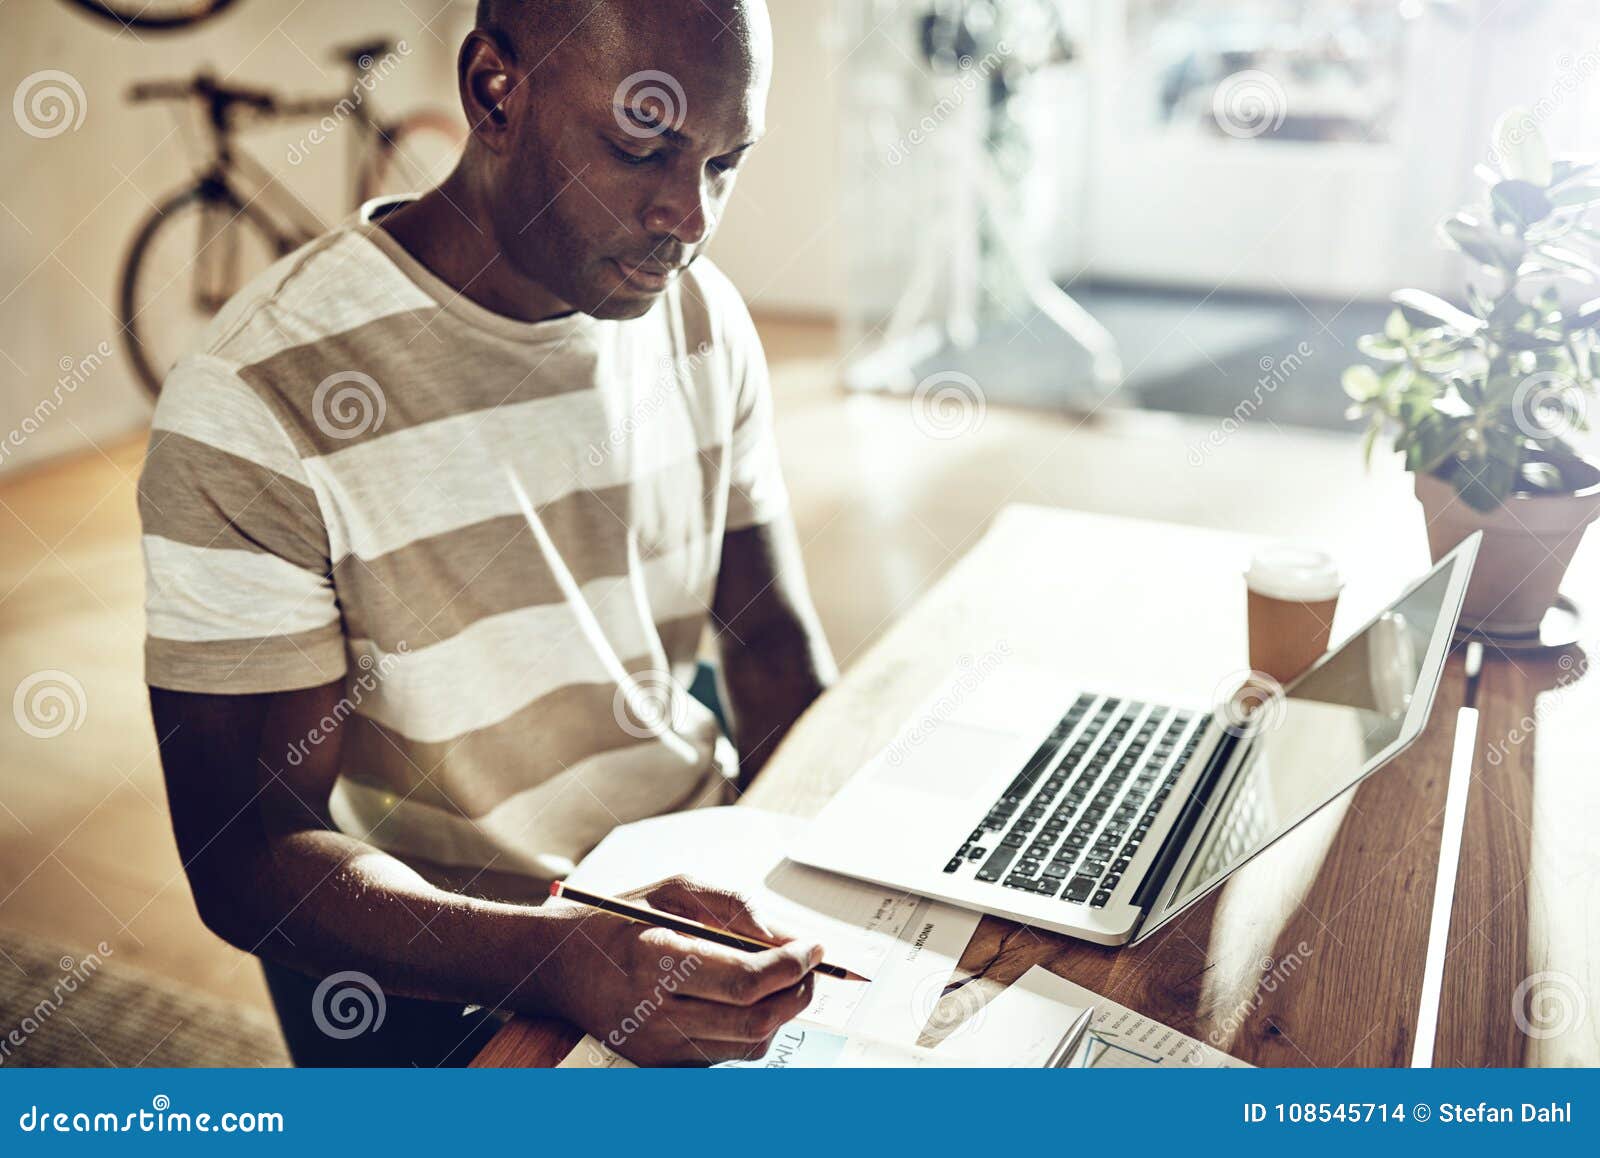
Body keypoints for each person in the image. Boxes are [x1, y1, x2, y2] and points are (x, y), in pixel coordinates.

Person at [139, 0, 837, 1067]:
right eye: (642, 148)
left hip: (702, 909)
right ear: (492, 93)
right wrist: (566, 955)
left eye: (724, 163)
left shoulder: (703, 322)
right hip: (460, 986)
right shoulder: (257, 400)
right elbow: (247, 851)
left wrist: (839, 881)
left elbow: (773, 646)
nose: (690, 217)